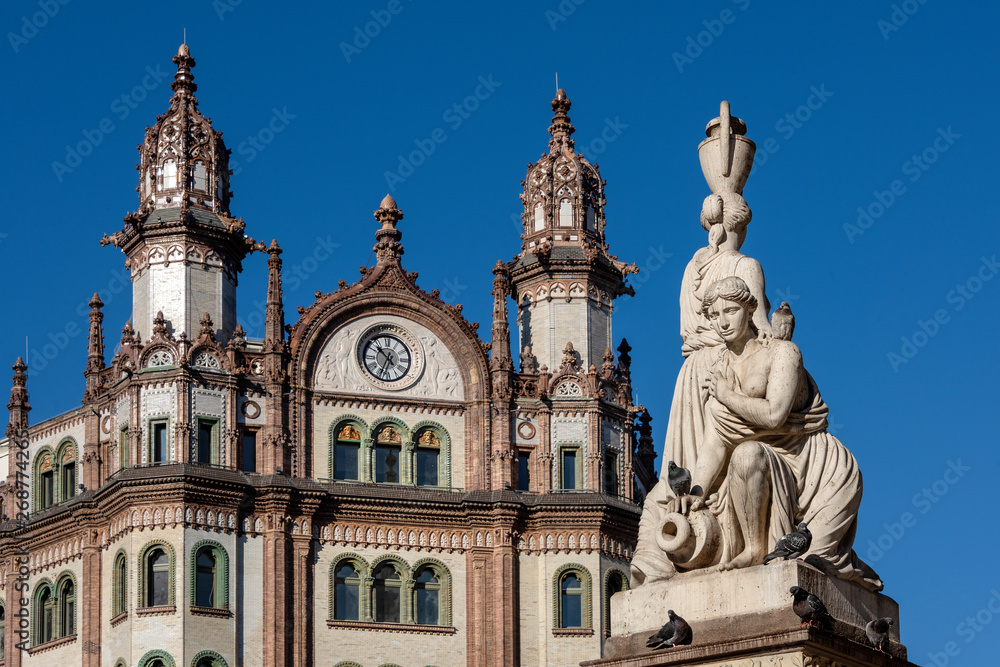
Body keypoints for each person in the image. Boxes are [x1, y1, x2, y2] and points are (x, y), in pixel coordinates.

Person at [690, 277, 881, 590]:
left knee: (814, 563)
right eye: (715, 315)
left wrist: (726, 395)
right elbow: (715, 441)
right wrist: (696, 491)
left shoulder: (783, 353)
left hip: (817, 469)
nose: (723, 322)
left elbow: (775, 416)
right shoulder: (720, 369)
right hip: (758, 467)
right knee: (746, 453)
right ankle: (754, 548)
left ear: (749, 309)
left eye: (730, 311)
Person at [631, 193, 770, 584]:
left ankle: (658, 553)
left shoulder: (693, 265)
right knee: (721, 459)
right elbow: (761, 327)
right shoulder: (745, 265)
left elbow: (684, 327)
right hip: (727, 365)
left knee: (682, 466)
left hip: (689, 373)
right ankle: (728, 542)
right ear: (739, 228)